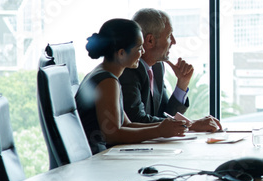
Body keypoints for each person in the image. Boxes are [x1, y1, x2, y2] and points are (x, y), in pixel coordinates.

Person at [75, 18, 187, 153]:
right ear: (121, 53)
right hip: (96, 159)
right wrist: (158, 131)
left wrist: (165, 127)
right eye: (139, 48)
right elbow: (112, 135)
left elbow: (127, 124)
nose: (143, 52)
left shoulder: (105, 74)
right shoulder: (108, 81)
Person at [118, 8, 221, 132]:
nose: (174, 41)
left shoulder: (157, 67)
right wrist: (190, 124)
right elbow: (137, 120)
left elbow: (165, 115)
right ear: (150, 40)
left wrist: (182, 84)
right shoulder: (128, 71)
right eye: (168, 36)